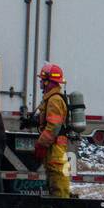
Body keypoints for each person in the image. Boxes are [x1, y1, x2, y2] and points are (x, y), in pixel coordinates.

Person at [33, 62, 71, 199]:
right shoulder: (51, 98)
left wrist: (41, 144)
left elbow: (54, 126)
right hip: (54, 145)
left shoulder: (54, 99)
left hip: (55, 146)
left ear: (48, 82)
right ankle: (57, 204)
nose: (40, 83)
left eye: (42, 80)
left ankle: (62, 206)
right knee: (52, 176)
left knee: (58, 175)